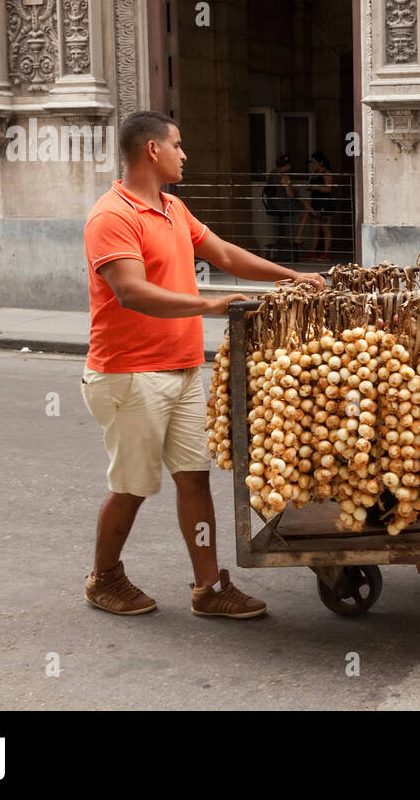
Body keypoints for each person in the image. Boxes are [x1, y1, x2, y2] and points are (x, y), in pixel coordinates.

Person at [81, 110, 326, 618]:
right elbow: (131, 292)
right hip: (130, 375)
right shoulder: (112, 216)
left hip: (183, 369)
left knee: (194, 478)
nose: (184, 153)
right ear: (152, 150)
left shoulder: (172, 208)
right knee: (131, 486)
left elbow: (227, 255)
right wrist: (210, 305)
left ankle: (208, 588)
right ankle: (104, 578)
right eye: (178, 144)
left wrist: (291, 277)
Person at [261, 156, 296, 263]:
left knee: (303, 203)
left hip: (272, 205)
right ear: (287, 165)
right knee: (305, 210)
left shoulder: (272, 173)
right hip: (283, 205)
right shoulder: (285, 176)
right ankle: (298, 239)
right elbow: (290, 195)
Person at [303, 150, 336, 260]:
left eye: (314, 162)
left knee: (325, 227)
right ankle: (313, 251)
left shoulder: (327, 172)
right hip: (315, 202)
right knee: (315, 228)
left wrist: (315, 187)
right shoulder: (316, 172)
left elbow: (328, 188)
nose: (313, 164)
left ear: (321, 162)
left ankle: (326, 253)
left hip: (325, 203)